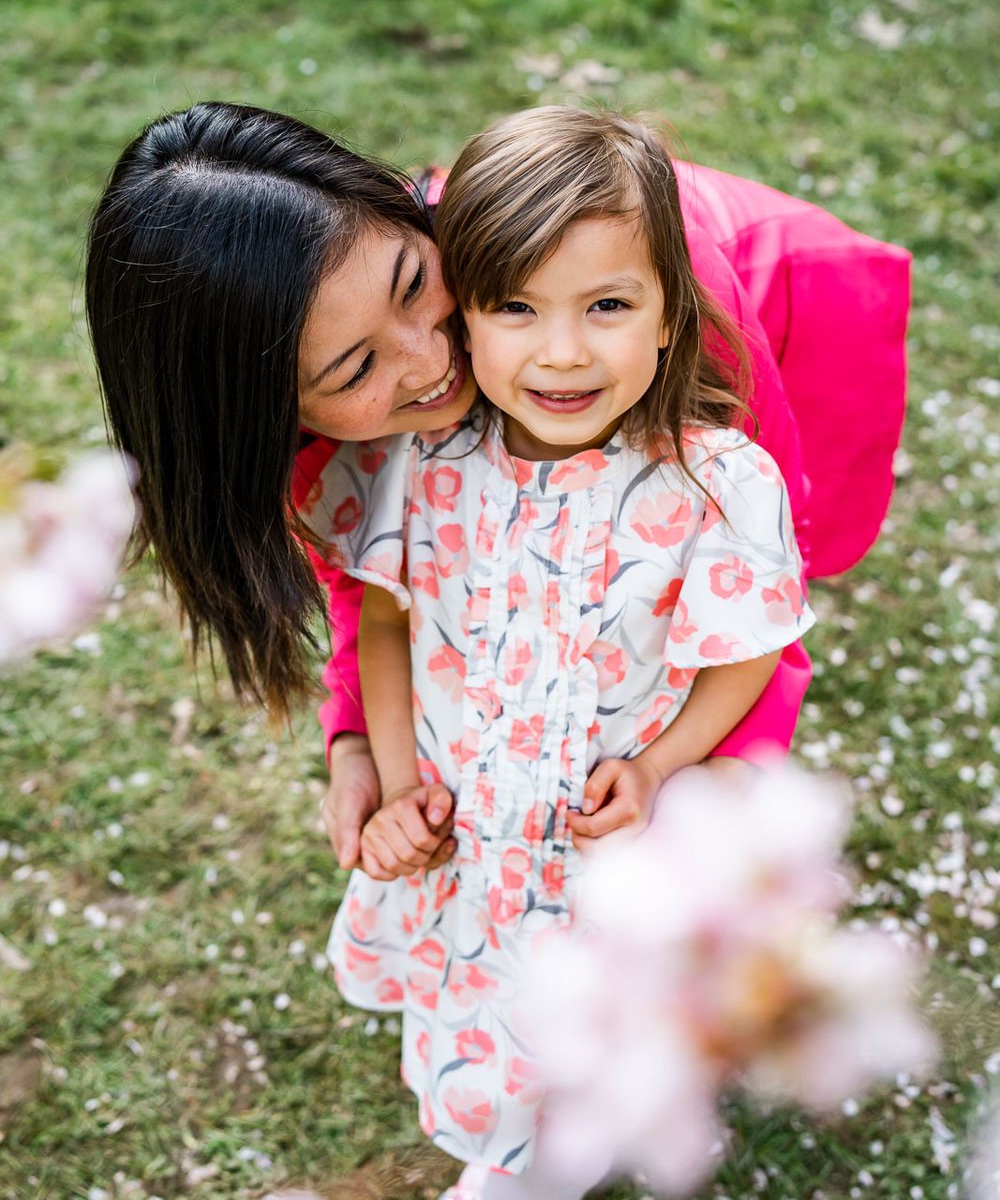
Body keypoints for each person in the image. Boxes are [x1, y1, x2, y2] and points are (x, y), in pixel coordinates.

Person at [85, 101, 910, 875]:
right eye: (359, 367)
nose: (432, 358)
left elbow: (759, 586)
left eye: (414, 283)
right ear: (266, 421)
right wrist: (359, 742)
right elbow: (378, 574)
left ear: (406, 214)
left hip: (782, 294)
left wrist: (703, 787)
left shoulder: (674, 317)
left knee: (759, 535)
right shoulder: (313, 444)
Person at [304, 108, 817, 1199]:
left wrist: (665, 764)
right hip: (469, 824)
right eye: (516, 309)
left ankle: (539, 1163)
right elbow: (383, 616)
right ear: (466, 322)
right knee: (486, 993)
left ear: (672, 317)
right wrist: (398, 783)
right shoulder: (420, 460)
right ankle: (516, 1135)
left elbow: (744, 655)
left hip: (597, 832)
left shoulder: (716, 485)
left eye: (608, 306)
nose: (565, 351)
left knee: (602, 1000)